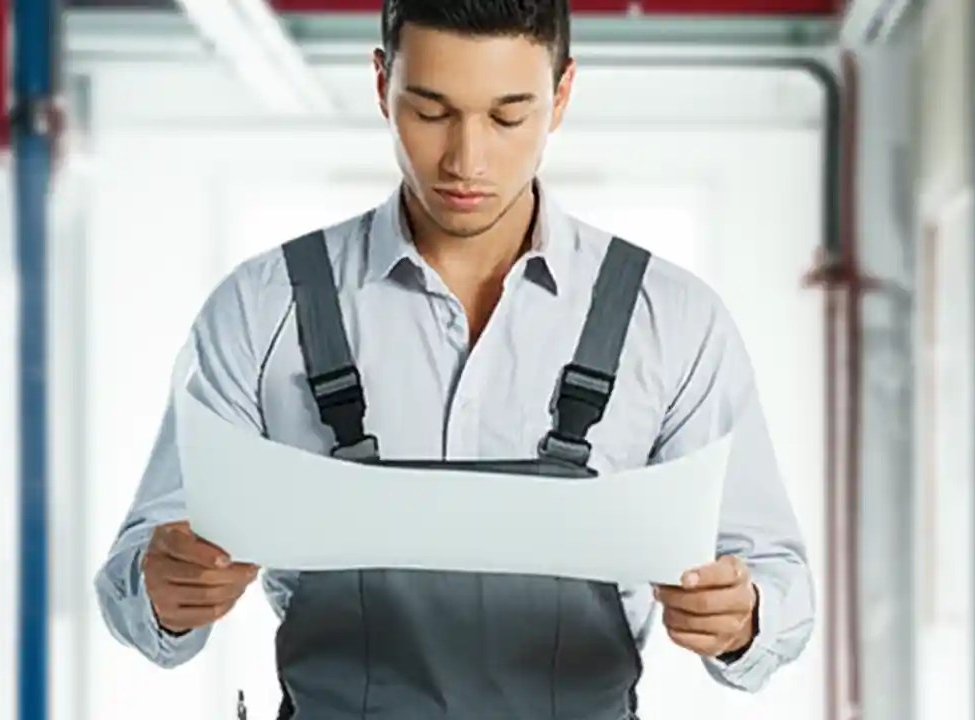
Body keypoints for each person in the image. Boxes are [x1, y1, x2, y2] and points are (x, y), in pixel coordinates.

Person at [94, 1, 814, 717]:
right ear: (382, 85)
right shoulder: (259, 309)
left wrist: (743, 615)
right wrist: (167, 589)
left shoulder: (675, 321)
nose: (467, 160)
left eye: (508, 117)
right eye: (431, 112)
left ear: (561, 96)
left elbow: (776, 578)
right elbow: (139, 580)